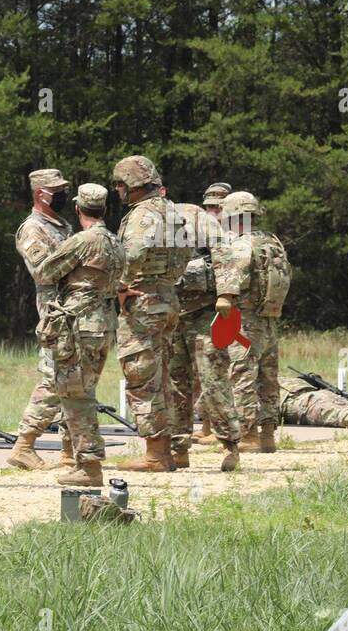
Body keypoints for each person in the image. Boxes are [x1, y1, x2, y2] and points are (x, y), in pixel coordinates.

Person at [31, 185, 125, 486]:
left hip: (79, 325)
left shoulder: (82, 241)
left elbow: (45, 273)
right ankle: (81, 460)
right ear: (105, 210)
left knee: (75, 394)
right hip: (104, 322)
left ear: (78, 209)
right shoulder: (114, 241)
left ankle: (89, 465)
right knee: (84, 390)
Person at [113, 156, 191, 472]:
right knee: (164, 377)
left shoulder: (143, 215)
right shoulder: (171, 212)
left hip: (144, 302)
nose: (117, 190)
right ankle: (173, 450)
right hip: (168, 299)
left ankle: (156, 455)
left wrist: (121, 286)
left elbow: (133, 253)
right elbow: (185, 253)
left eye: (120, 184)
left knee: (142, 376)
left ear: (133, 185)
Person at [213, 190, 292, 456]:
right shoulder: (273, 242)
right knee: (268, 378)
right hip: (269, 319)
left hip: (245, 321)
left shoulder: (241, 245)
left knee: (242, 375)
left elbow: (232, 285)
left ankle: (246, 435)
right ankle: (267, 435)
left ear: (234, 216)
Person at [10, 169, 75, 470]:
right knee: (53, 377)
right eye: (56, 189)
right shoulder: (33, 229)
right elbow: (43, 270)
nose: (62, 194)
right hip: (54, 315)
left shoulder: (63, 226)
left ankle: (69, 449)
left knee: (74, 379)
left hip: (74, 311)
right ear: (40, 194)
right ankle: (24, 445)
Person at [170, 191, 235, 454]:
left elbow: (223, 257)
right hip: (174, 314)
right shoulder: (158, 224)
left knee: (213, 379)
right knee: (176, 384)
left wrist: (226, 294)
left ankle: (230, 445)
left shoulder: (200, 221)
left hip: (204, 314)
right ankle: (178, 448)